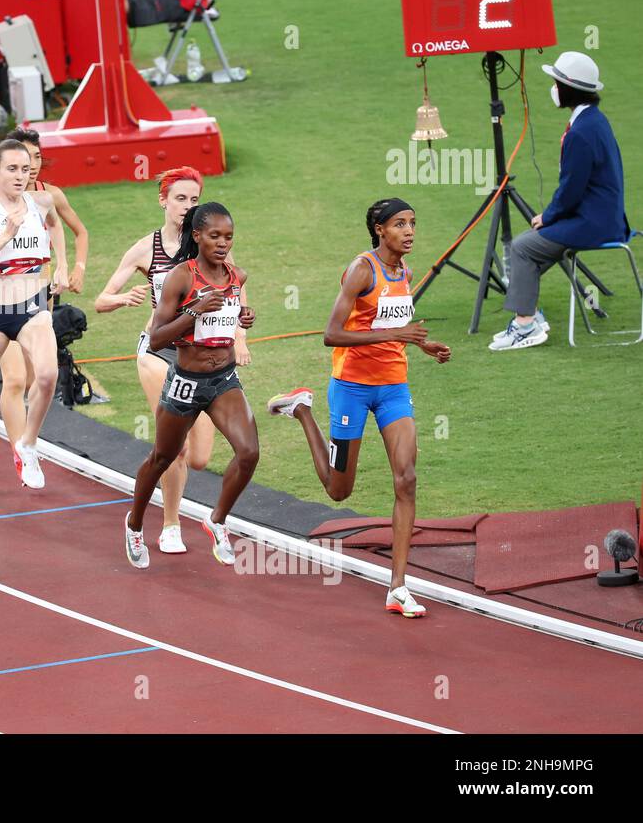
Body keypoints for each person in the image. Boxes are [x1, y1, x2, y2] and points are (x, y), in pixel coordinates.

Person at [268, 199, 451, 617]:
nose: (409, 232)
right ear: (378, 229)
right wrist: (399, 332)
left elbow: (393, 324)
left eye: (413, 224)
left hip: (393, 388)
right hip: (351, 388)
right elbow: (331, 334)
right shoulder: (362, 270)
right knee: (338, 489)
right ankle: (301, 411)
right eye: (400, 225)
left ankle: (398, 586)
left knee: (406, 479)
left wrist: (422, 344)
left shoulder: (404, 270)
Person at [96, 167, 250, 553]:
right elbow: (102, 300)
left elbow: (235, 295)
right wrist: (121, 299)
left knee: (199, 458)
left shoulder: (215, 247)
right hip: (159, 351)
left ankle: (204, 519)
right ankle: (168, 525)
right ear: (164, 201)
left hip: (211, 362)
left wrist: (241, 334)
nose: (188, 206)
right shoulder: (148, 249)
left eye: (194, 199)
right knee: (173, 451)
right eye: (180, 198)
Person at [124, 202, 258, 569]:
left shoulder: (236, 276)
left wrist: (243, 317)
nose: (222, 243)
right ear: (197, 236)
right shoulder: (181, 277)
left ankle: (217, 521)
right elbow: (156, 339)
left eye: (228, 237)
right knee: (163, 458)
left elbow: (232, 317)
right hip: (185, 381)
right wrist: (194, 311)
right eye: (214, 236)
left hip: (223, 379)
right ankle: (135, 524)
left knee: (248, 453)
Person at [0, 127, 88, 457]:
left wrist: (69, 267)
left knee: (39, 378)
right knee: (3, 383)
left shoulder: (46, 198)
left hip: (38, 301)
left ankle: (27, 446)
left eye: (33, 161)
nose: (29, 168)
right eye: (18, 165)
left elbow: (72, 230)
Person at [490, 51, 630, 351]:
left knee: (523, 248)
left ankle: (526, 325)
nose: (553, 89)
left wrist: (549, 216)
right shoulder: (593, 121)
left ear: (569, 88)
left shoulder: (581, 131)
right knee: (527, 246)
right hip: (599, 217)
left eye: (556, 82)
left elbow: (571, 190)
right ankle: (527, 317)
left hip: (593, 223)